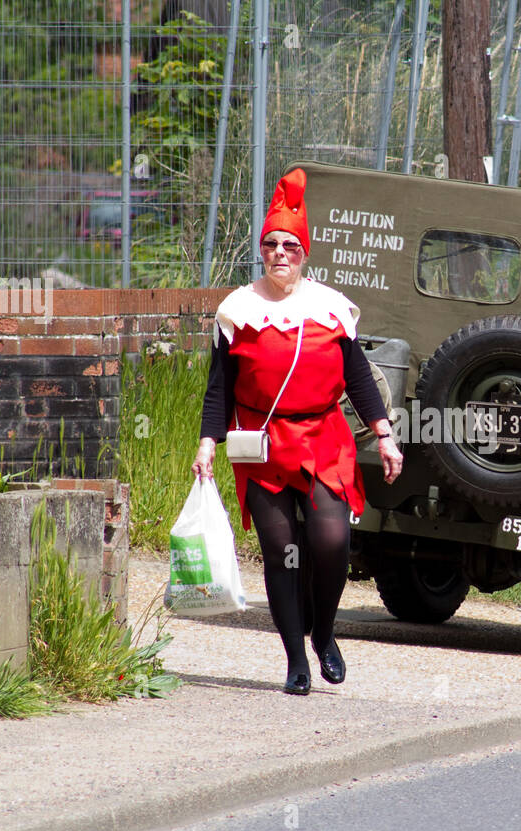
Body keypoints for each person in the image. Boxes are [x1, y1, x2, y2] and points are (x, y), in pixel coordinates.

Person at [193, 169, 403, 695]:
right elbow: (219, 388)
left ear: (304, 252)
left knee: (332, 541)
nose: (280, 252)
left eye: (290, 244)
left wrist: (384, 432)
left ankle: (324, 633)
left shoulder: (330, 307)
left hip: (324, 436)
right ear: (261, 250)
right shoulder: (237, 311)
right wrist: (206, 444)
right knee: (282, 550)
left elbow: (356, 375)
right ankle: (295, 661)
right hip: (262, 443)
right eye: (271, 244)